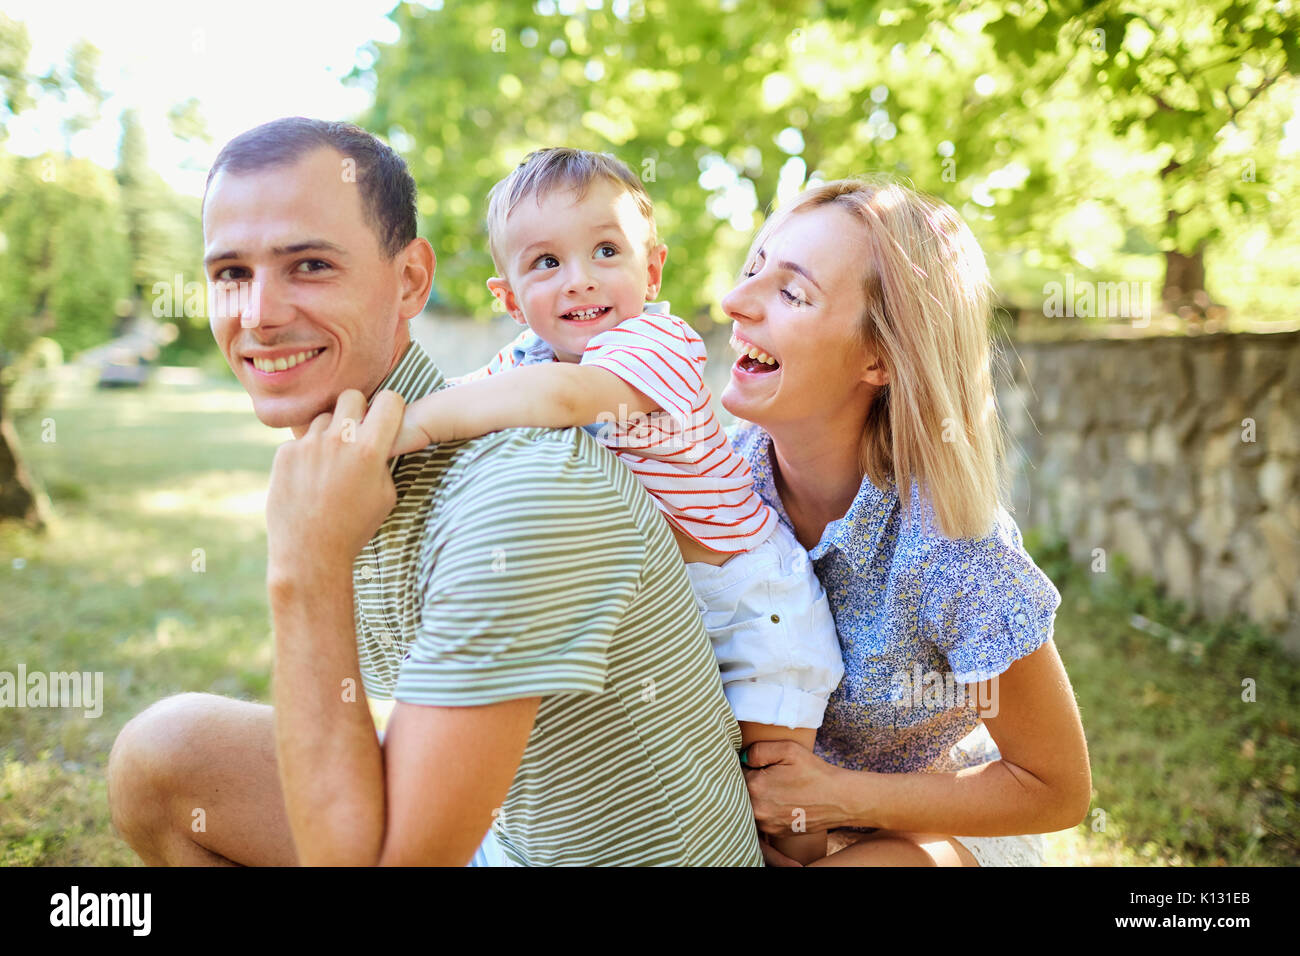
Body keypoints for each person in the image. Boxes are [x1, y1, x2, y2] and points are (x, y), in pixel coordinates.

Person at [105, 118, 763, 867]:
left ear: (411, 280)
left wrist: (305, 567)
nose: (260, 314)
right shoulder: (368, 469)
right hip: (509, 838)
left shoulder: (523, 493)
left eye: (310, 265)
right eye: (231, 273)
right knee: (163, 758)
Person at [393, 148, 844, 863]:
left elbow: (563, 400)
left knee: (781, 797)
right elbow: (468, 392)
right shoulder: (527, 362)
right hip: (673, 613)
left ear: (652, 270)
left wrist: (411, 425)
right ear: (509, 298)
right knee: (713, 784)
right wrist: (394, 407)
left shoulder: (656, 343)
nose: (580, 279)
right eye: (546, 263)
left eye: (606, 251)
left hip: (756, 604)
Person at [721, 178, 1092, 866]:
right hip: (778, 820)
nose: (735, 302)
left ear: (881, 357)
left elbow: (1056, 790)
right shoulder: (716, 480)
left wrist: (834, 797)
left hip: (936, 825)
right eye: (753, 270)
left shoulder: (954, 548)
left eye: (792, 293)